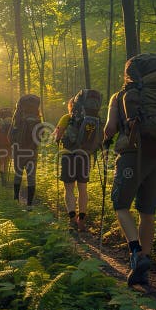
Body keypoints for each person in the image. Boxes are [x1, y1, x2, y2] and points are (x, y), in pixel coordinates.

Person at [103, 56, 156, 286]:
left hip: (132, 156)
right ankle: (144, 261)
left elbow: (110, 128)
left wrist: (106, 139)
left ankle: (135, 251)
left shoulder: (120, 95)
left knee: (120, 204)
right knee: (148, 210)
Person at [52, 99, 90, 232]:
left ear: (71, 107)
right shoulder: (90, 120)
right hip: (84, 157)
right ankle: (82, 220)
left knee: (69, 189)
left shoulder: (66, 118)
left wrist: (56, 136)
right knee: (82, 189)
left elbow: (57, 138)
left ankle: (73, 218)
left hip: (68, 156)